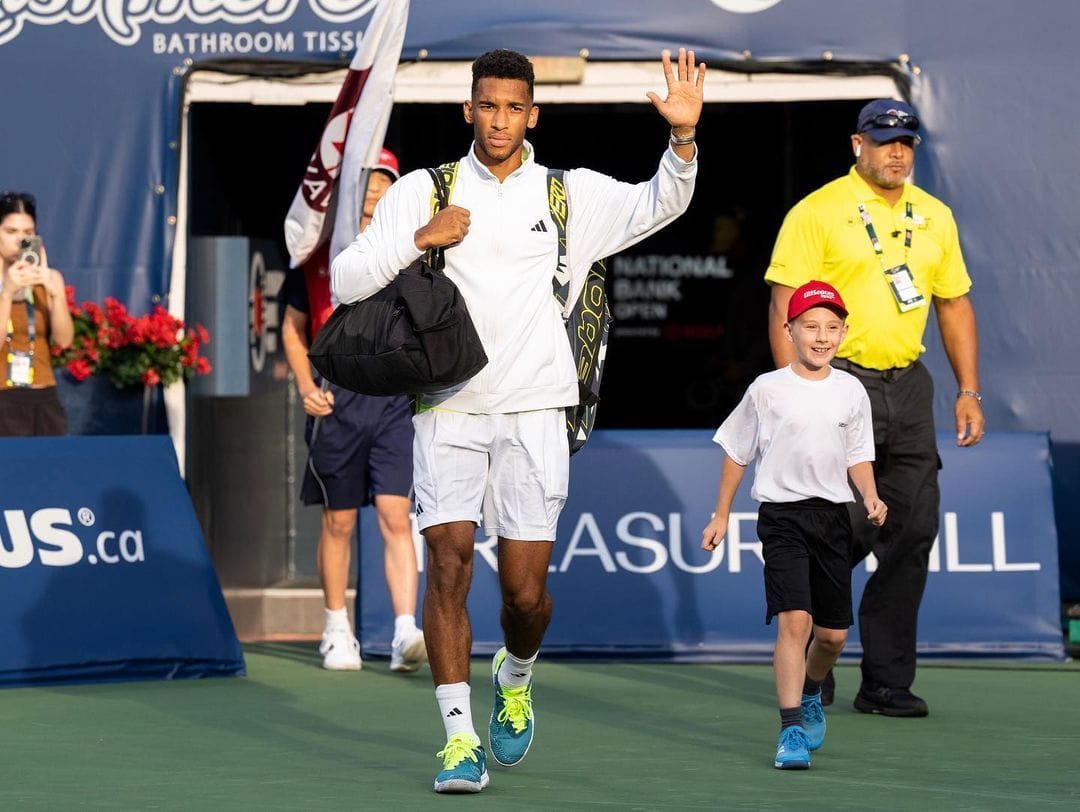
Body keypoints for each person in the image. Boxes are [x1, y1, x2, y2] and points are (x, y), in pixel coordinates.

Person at [332, 47, 703, 794]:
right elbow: (344, 279)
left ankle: (516, 670)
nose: (499, 120)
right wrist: (418, 239)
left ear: (532, 115)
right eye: (487, 105)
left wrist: (683, 140)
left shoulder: (568, 193)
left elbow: (662, 203)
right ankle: (458, 737)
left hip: (537, 408)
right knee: (448, 565)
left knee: (525, 598)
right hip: (447, 407)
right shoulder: (420, 191)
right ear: (467, 109)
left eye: (513, 108)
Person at [764, 99, 985, 717]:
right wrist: (794, 388)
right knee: (838, 522)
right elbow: (787, 305)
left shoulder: (935, 216)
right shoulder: (818, 210)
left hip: (909, 385)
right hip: (839, 378)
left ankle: (886, 681)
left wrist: (968, 390)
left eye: (907, 142)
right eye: (885, 139)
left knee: (913, 528)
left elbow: (954, 304)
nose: (897, 151)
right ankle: (816, 658)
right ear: (857, 143)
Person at [703, 280, 887, 770]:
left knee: (830, 638)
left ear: (844, 333)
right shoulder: (766, 389)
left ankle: (810, 691)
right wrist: (721, 513)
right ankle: (790, 731)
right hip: (781, 518)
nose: (821, 336)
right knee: (795, 621)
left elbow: (858, 455)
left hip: (833, 518)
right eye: (810, 326)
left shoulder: (852, 391)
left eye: (831, 327)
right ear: (790, 331)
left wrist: (869, 494)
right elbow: (737, 453)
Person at [280, 149, 427, 674]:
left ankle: (406, 631)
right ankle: (336, 629)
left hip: (392, 399)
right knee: (339, 520)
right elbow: (293, 330)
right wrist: (304, 386)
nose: (372, 192)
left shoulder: (411, 253)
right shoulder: (319, 255)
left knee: (396, 514)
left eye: (383, 182)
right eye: (365, 183)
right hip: (335, 396)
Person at [0, 191, 73, 435]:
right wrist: (7, 294)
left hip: (44, 394)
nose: (20, 239)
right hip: (4, 397)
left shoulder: (49, 278)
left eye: (28, 233)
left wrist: (56, 294)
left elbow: (64, 340)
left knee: (51, 468)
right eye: (11, 232)